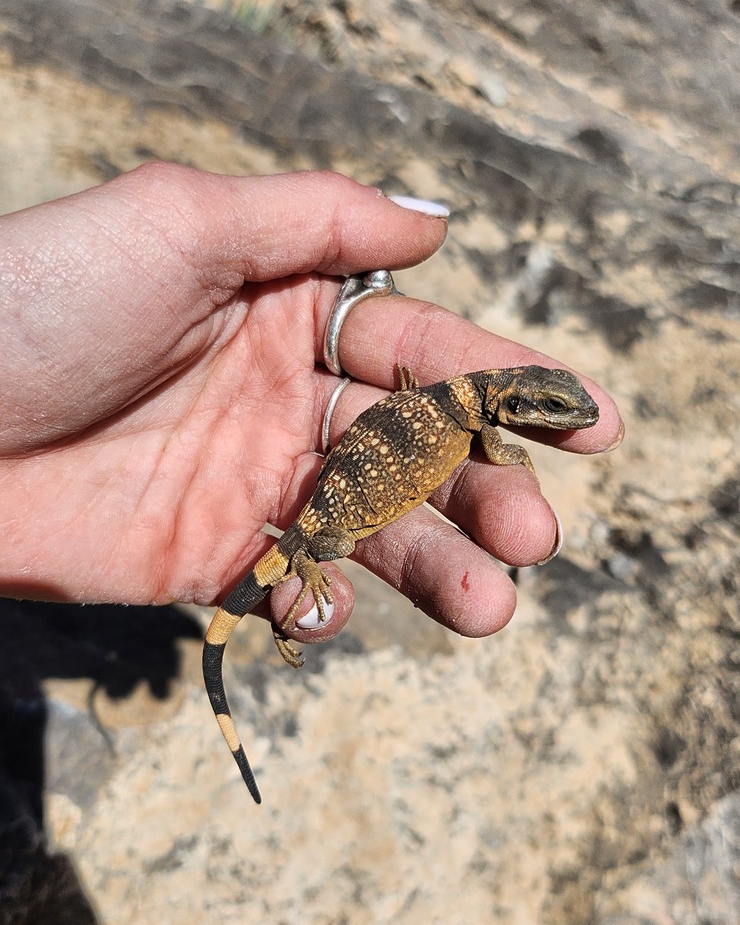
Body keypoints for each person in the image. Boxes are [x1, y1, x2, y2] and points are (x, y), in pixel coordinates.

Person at [0, 163, 623, 644]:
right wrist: (512, 457)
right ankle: (256, 625)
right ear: (514, 403)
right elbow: (489, 442)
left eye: (556, 410)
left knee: (329, 552)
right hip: (323, 528)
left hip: (337, 501)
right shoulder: (469, 416)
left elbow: (478, 433)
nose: (565, 418)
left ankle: (261, 617)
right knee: (323, 551)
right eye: (552, 408)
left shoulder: (463, 407)